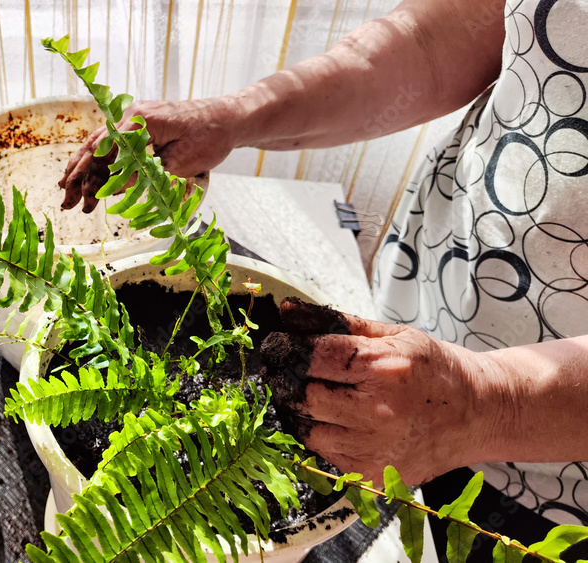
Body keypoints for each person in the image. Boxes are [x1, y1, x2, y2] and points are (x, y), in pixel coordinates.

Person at [58, 0, 588, 557]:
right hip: (428, 307)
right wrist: (234, 114)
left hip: (555, 486)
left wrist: (487, 402)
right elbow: (435, 44)